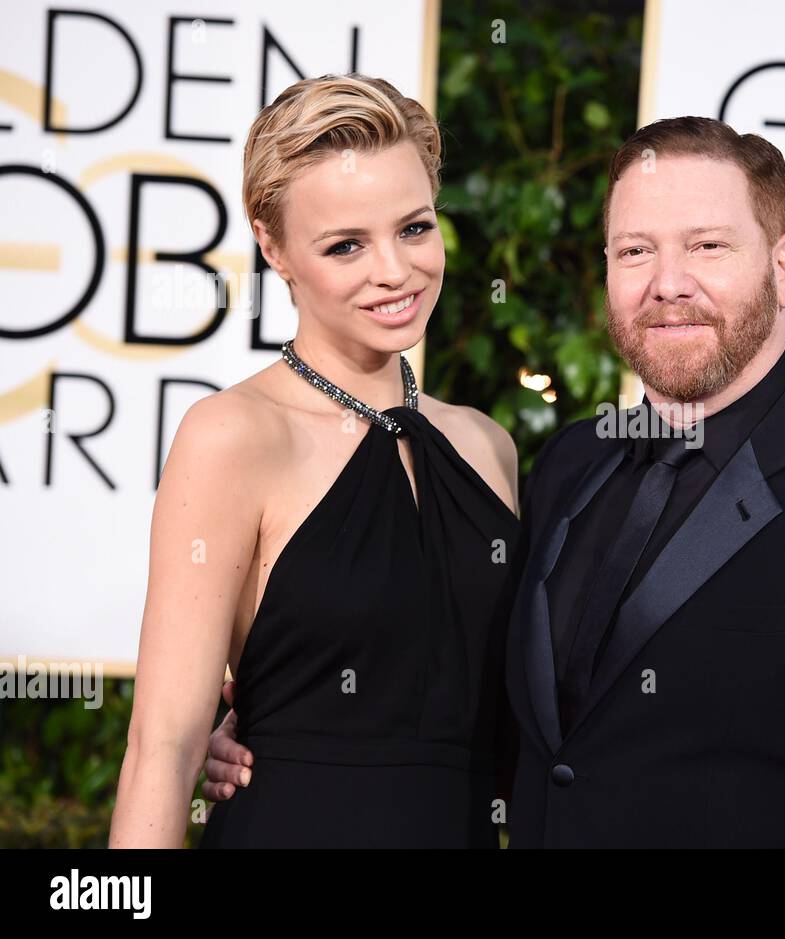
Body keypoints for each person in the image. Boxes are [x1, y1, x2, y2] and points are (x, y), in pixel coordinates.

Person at [204, 116, 785, 848]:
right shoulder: (572, 466)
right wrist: (279, 731)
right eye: (635, 250)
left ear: (784, 267)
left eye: (708, 247)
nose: (668, 283)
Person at [109, 74, 519, 848]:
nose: (395, 270)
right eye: (345, 245)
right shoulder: (232, 435)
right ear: (274, 246)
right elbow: (162, 748)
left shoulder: (486, 447)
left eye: (415, 228)